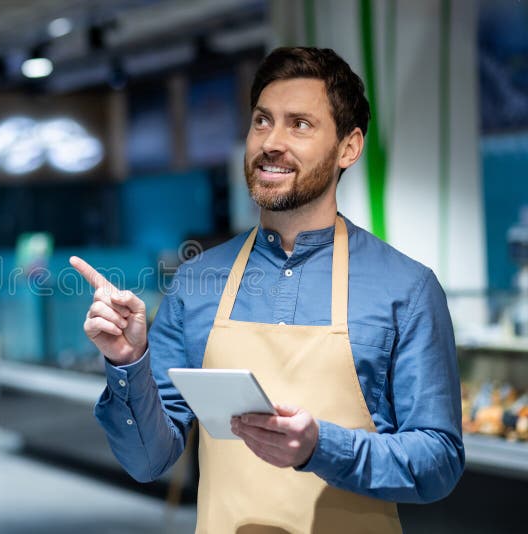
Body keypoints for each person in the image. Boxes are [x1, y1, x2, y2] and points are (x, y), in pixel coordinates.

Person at [70, 47, 464, 533]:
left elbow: (439, 461)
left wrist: (320, 447)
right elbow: (148, 460)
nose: (271, 142)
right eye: (262, 121)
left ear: (348, 147)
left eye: (299, 124)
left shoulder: (407, 288)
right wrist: (127, 363)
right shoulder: (197, 282)